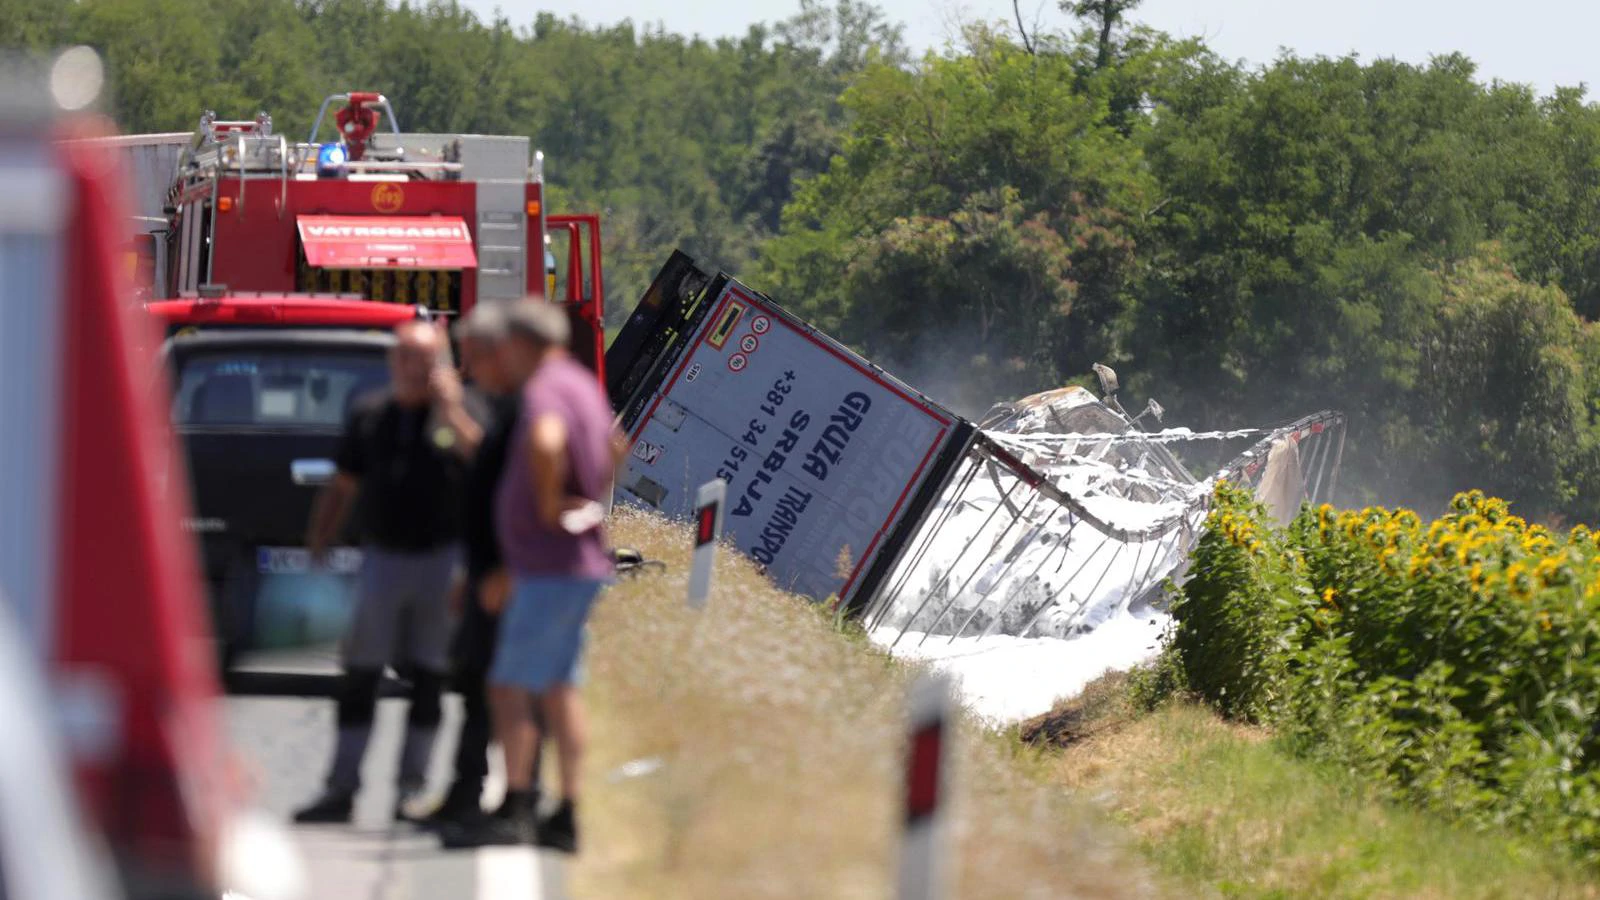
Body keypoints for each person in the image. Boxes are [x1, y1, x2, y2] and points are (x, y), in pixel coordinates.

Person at [293, 319, 485, 824]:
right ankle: (341, 789)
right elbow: (343, 484)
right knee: (360, 674)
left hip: (442, 561)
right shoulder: (371, 414)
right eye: (405, 358)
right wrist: (320, 538)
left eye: (425, 359)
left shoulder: (462, 413)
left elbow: (483, 463)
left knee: (428, 676)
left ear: (442, 364)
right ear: (392, 362)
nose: (413, 369)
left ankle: (410, 789)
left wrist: (450, 409)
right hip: (381, 558)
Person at [456, 301, 624, 851]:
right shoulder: (581, 385)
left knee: (510, 688)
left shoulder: (545, 390)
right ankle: (566, 812)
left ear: (519, 344)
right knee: (558, 687)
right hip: (576, 562)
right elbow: (617, 445)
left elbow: (546, 441)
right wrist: (592, 497)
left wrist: (548, 509)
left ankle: (519, 802)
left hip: (546, 563)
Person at [428, 304, 546, 837]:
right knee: (477, 682)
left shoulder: (524, 407)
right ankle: (466, 792)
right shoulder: (503, 403)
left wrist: (452, 410)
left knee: (513, 688)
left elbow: (507, 481)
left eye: (473, 356)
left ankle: (520, 800)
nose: (467, 366)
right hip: (489, 566)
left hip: (512, 571)